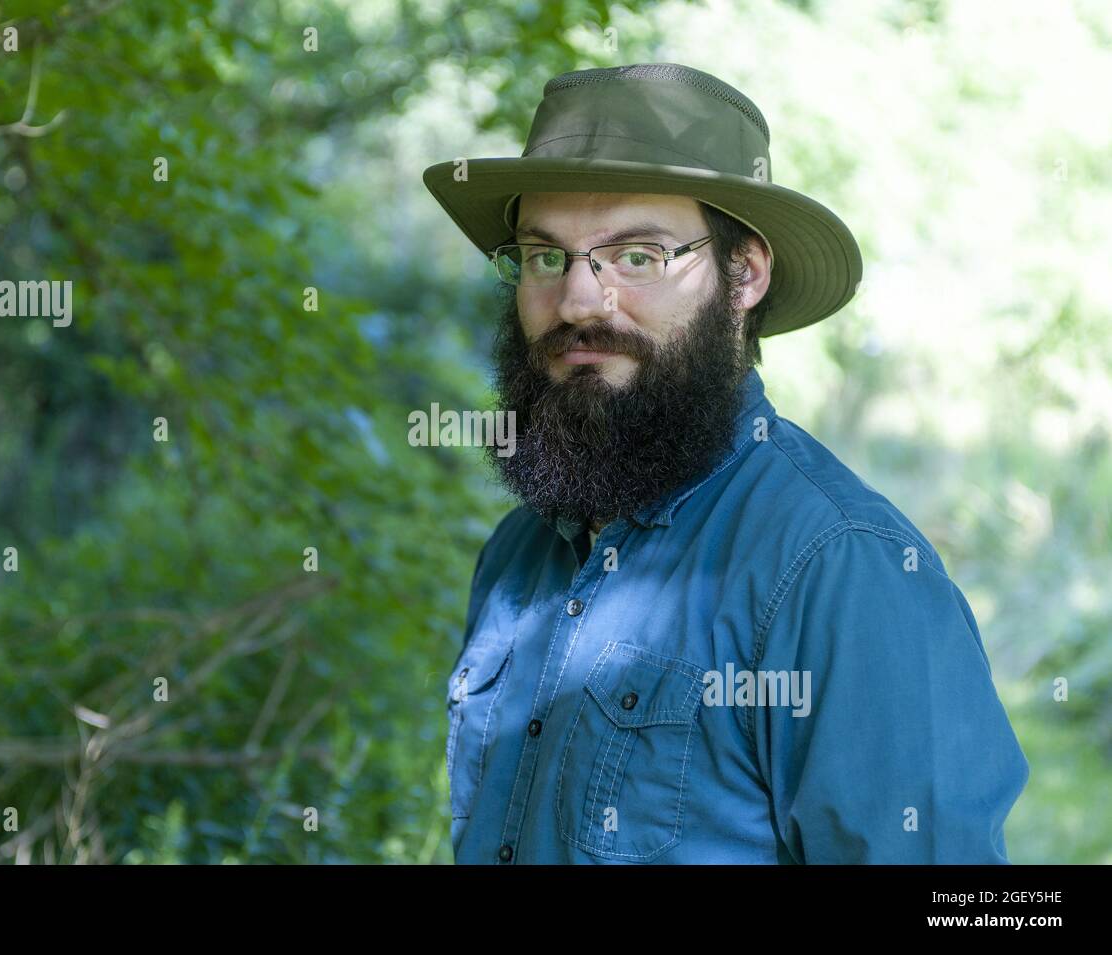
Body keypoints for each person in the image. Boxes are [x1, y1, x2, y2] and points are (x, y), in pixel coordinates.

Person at [421, 63, 1029, 864]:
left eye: (636, 256)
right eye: (544, 256)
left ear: (744, 274)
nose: (576, 301)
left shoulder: (842, 570)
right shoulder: (518, 556)